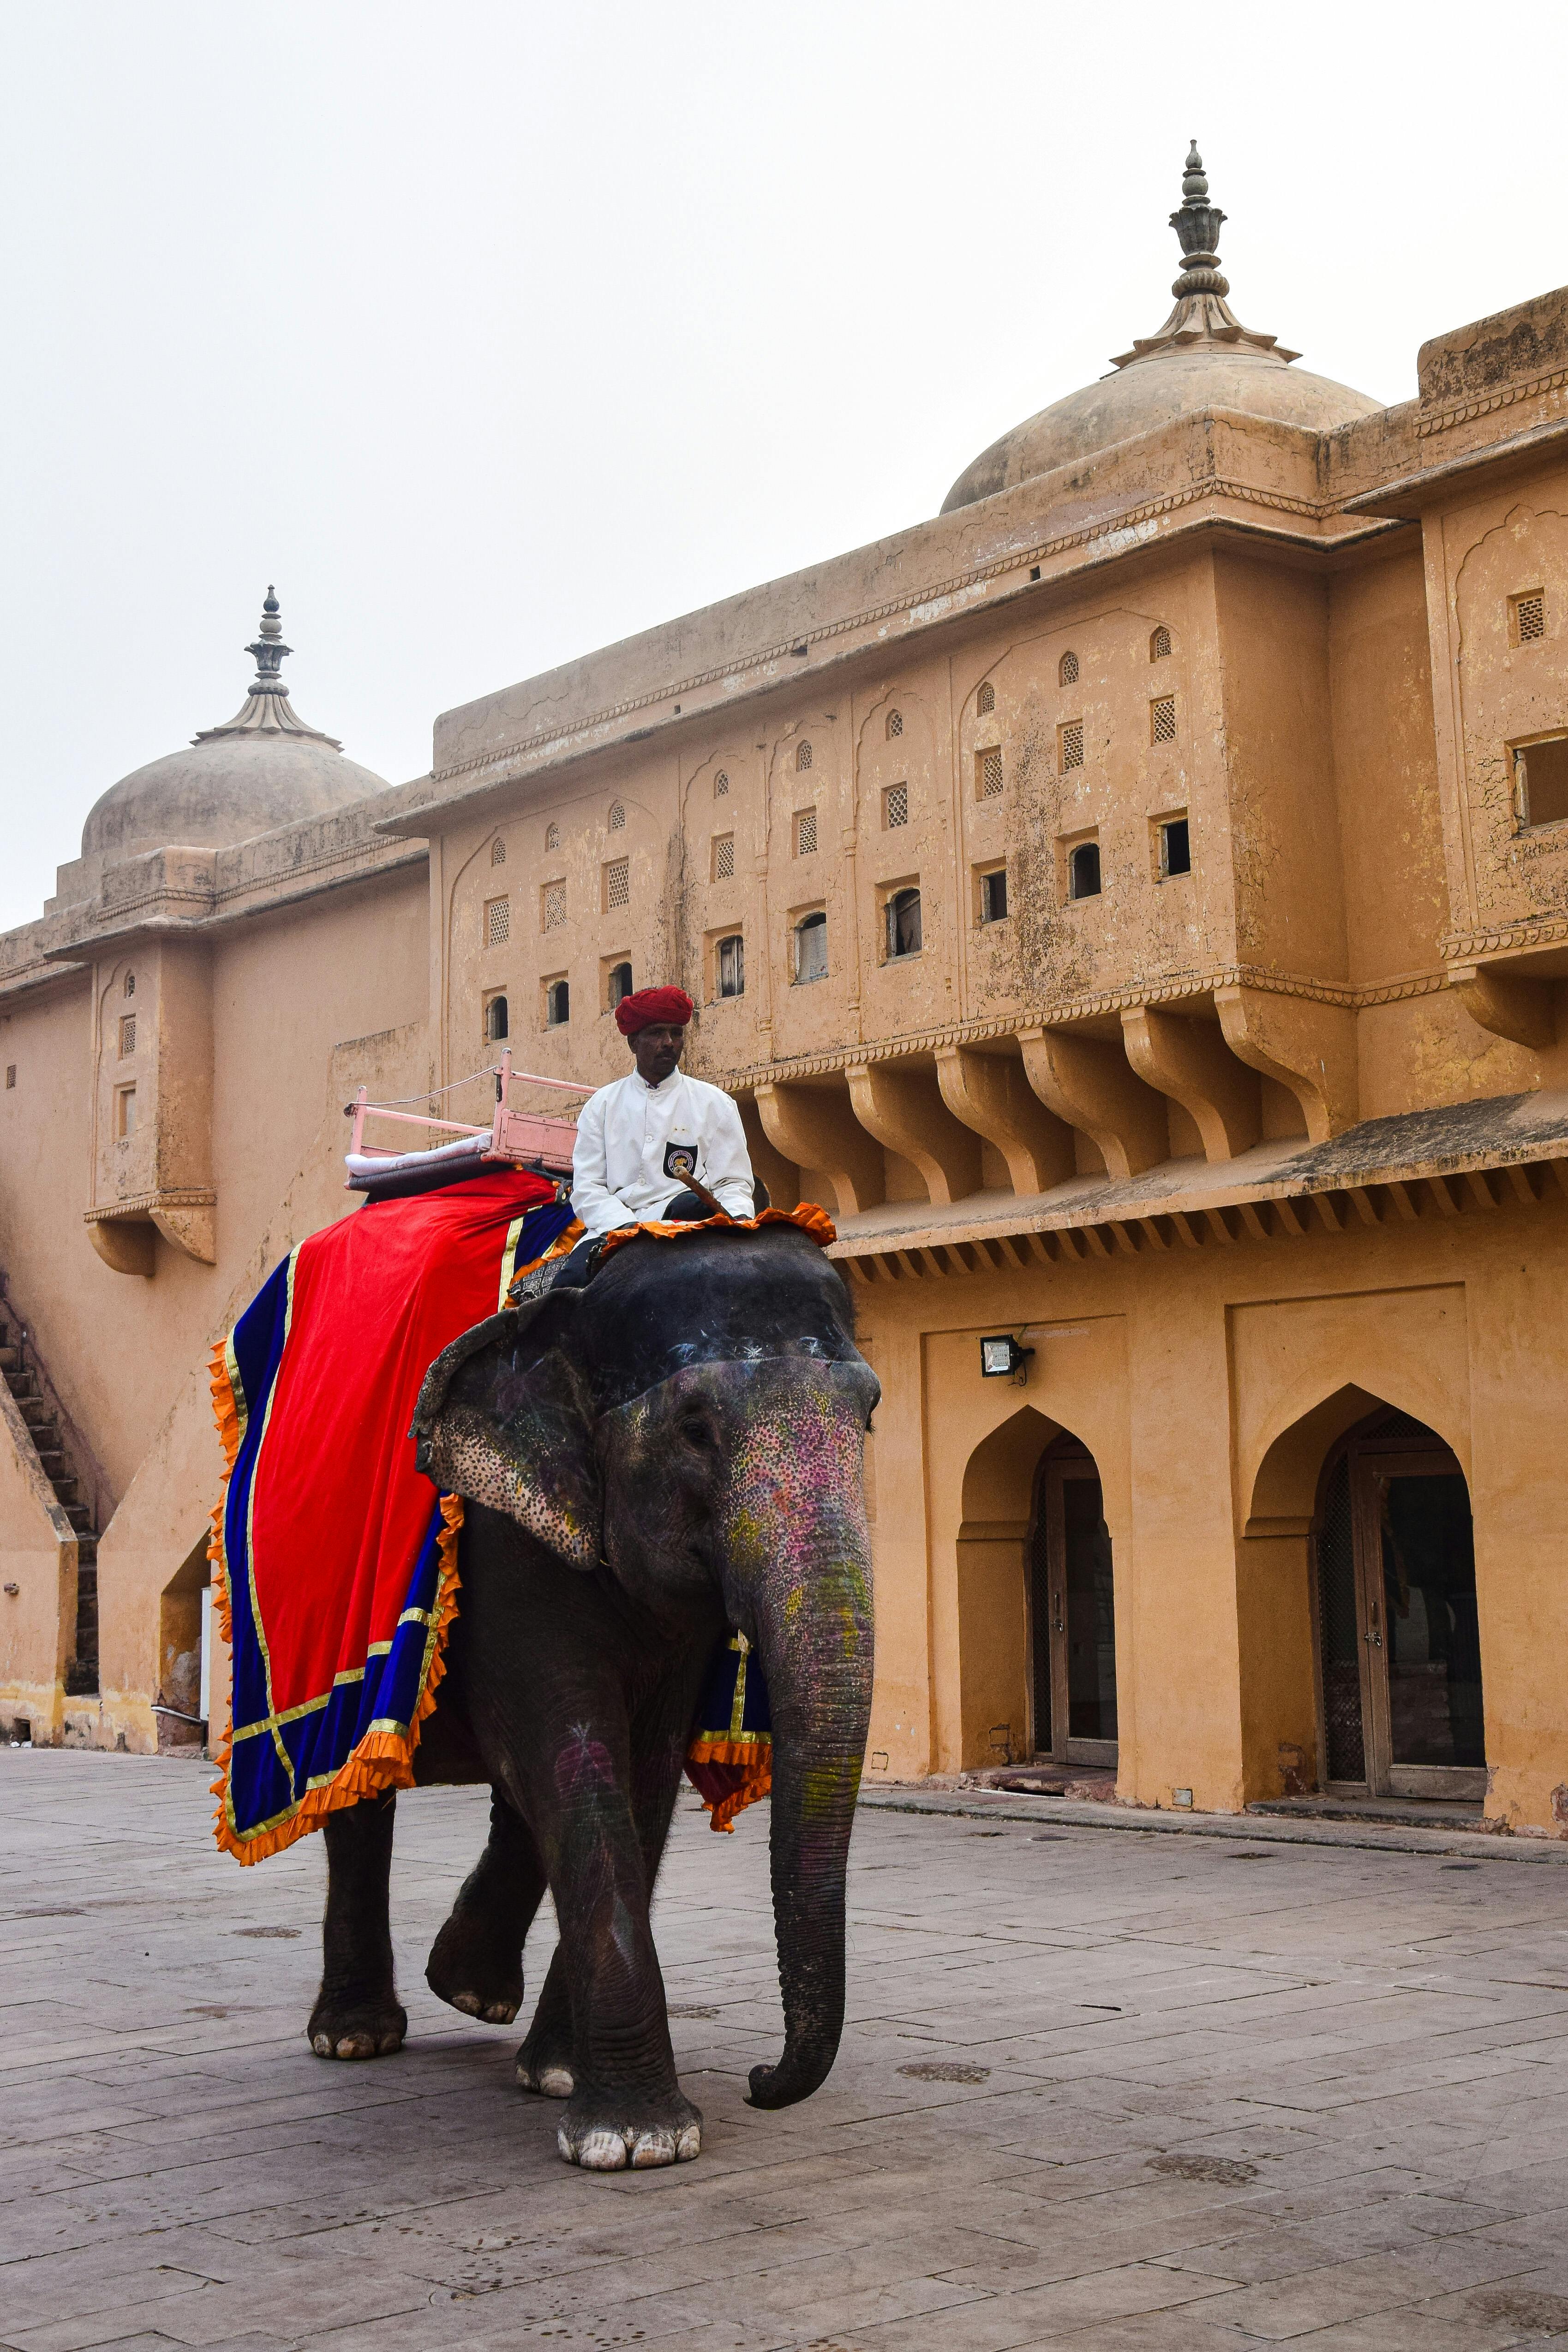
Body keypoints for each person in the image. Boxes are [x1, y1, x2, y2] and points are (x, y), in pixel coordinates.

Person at [569, 986, 757, 1241]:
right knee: (574, 1268)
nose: (669, 1043)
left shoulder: (716, 1104)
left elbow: (733, 1183)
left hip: (690, 1221)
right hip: (612, 1227)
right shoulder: (601, 1106)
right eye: (657, 1033)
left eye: (676, 1033)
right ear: (634, 1043)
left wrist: (737, 1219)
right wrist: (627, 1227)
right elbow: (588, 1188)